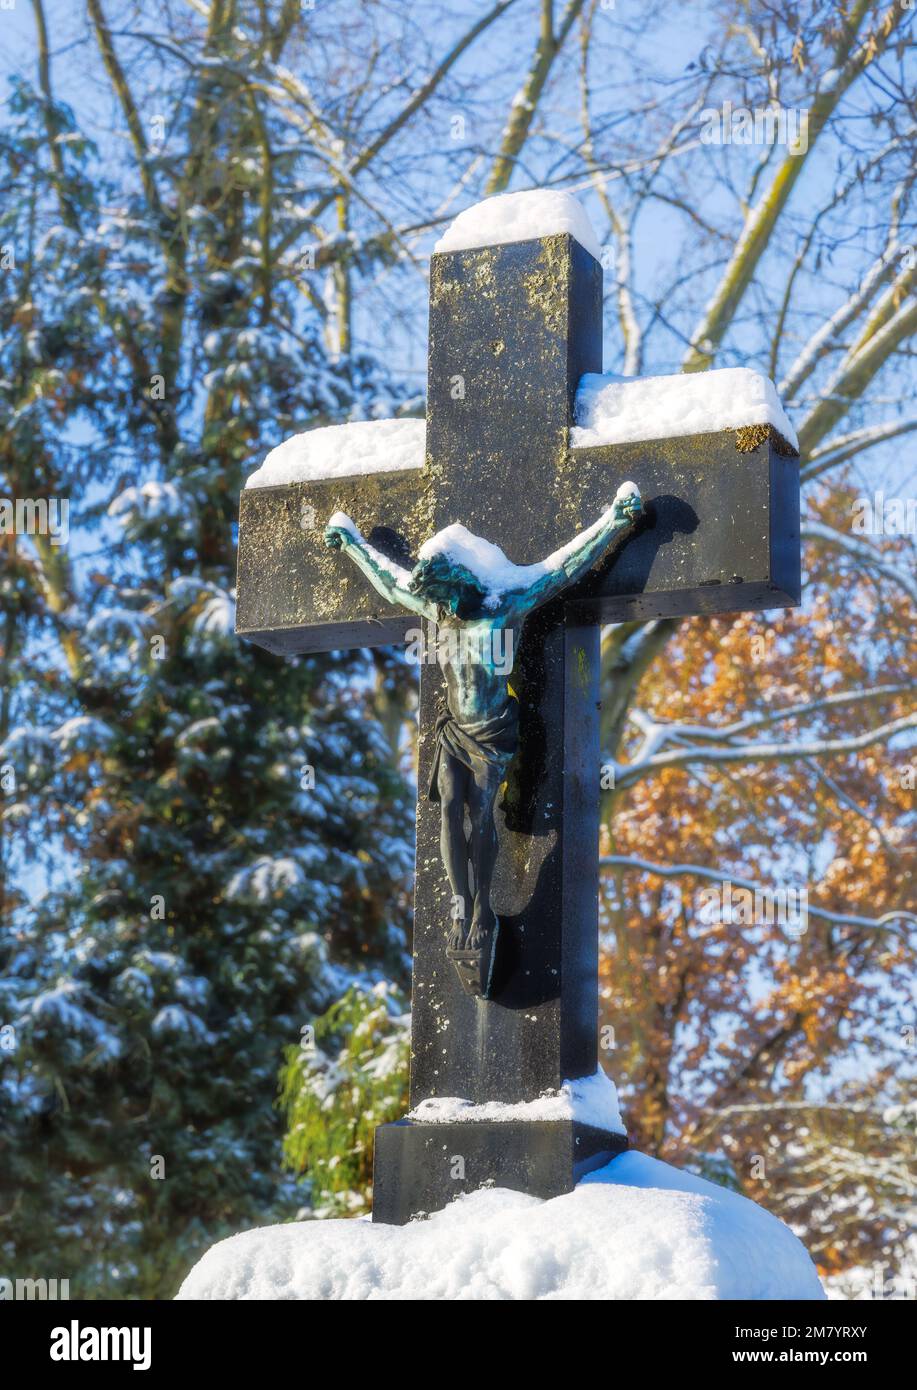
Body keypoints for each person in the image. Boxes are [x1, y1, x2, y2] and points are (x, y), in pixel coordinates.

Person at [324, 483, 642, 966]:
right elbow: (390, 583)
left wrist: (615, 521)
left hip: (493, 730)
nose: (443, 607)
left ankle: (484, 915)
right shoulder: (439, 611)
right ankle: (462, 904)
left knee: (479, 812)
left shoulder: (506, 604)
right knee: (449, 808)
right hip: (455, 730)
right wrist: (352, 544)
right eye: (438, 600)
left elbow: (563, 568)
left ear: (464, 580)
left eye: (449, 595)